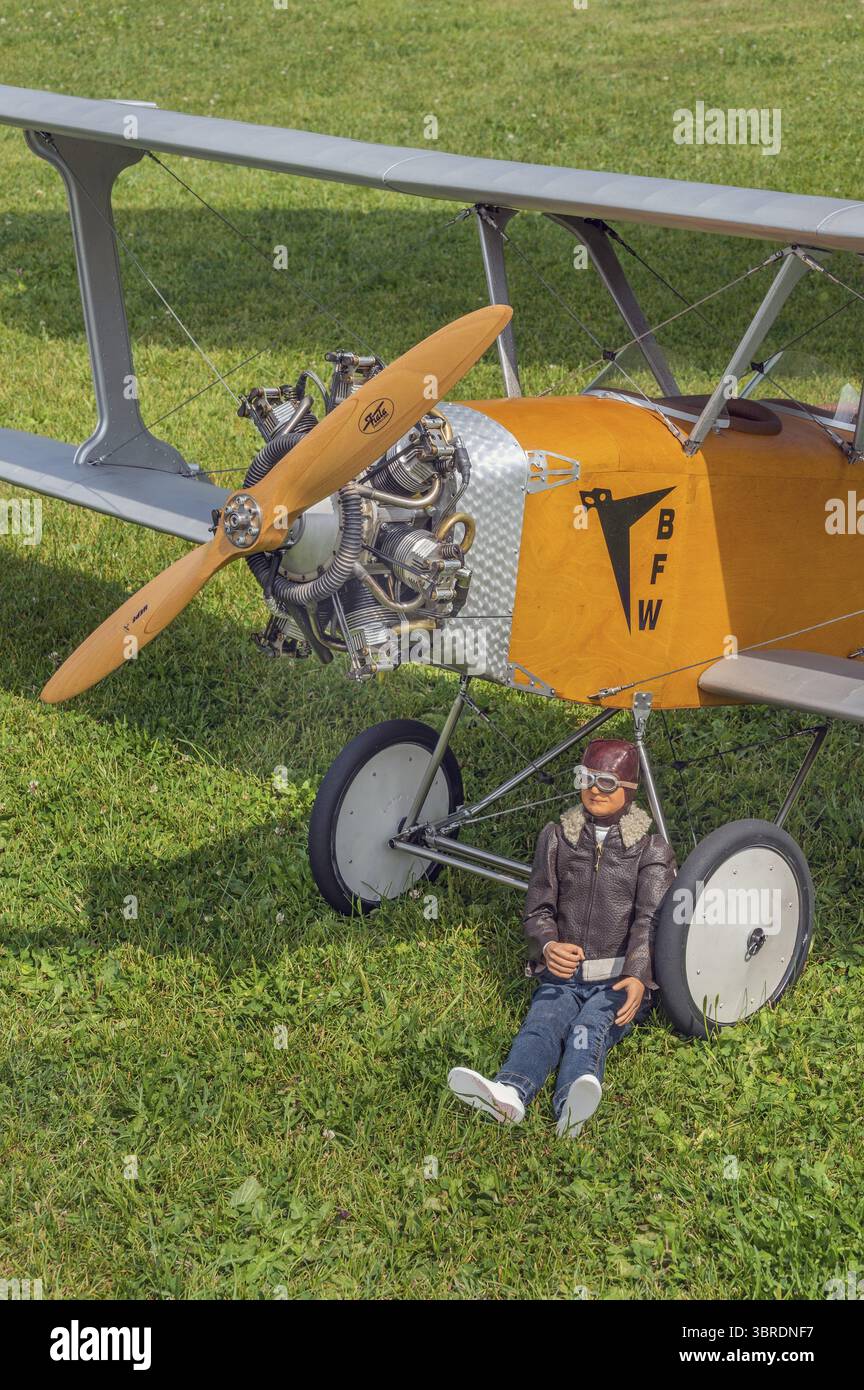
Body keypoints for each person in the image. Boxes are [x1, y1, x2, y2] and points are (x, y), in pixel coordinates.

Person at [448, 738, 677, 1138]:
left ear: (629, 789)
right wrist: (548, 946)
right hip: (564, 975)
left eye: (606, 782)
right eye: (586, 778)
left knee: (588, 1029)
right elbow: (538, 908)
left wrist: (639, 974)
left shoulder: (651, 848)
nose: (593, 789)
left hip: (617, 978)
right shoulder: (557, 837)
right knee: (542, 1023)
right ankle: (511, 1092)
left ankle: (573, 1101)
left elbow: (651, 920)